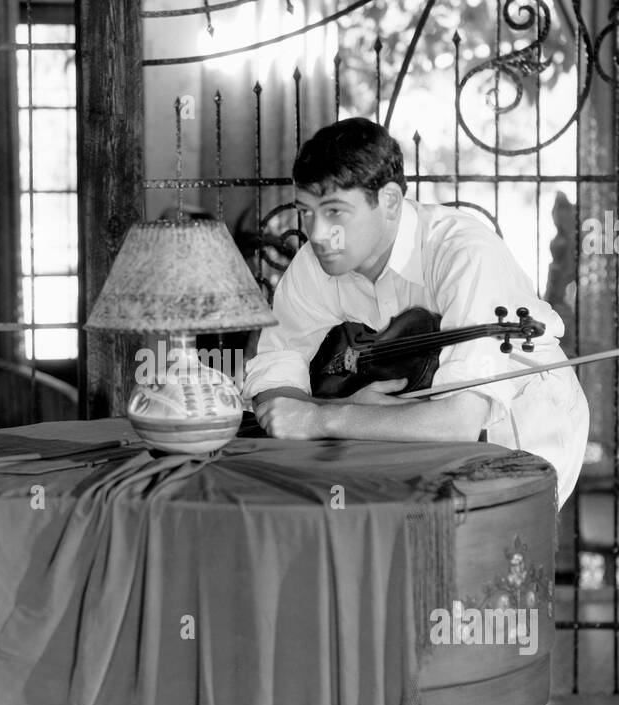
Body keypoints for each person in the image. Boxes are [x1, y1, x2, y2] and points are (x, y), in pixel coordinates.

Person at [243, 117, 589, 507]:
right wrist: (343, 408)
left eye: (335, 212)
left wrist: (322, 418)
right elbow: (277, 362)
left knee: (484, 555)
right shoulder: (317, 260)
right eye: (306, 212)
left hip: (519, 428)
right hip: (405, 428)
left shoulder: (465, 252)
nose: (318, 234)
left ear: (389, 200)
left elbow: (459, 420)